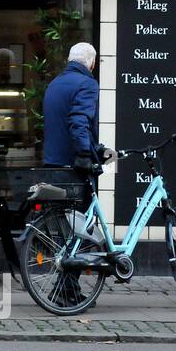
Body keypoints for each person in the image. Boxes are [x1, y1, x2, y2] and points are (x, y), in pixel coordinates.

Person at [41, 42, 113, 303]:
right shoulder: (87, 84)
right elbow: (78, 122)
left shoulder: (55, 84)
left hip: (53, 165)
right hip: (74, 168)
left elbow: (61, 124)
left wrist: (96, 148)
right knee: (79, 232)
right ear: (91, 63)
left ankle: (69, 291)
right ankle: (62, 293)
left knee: (65, 233)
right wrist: (86, 154)